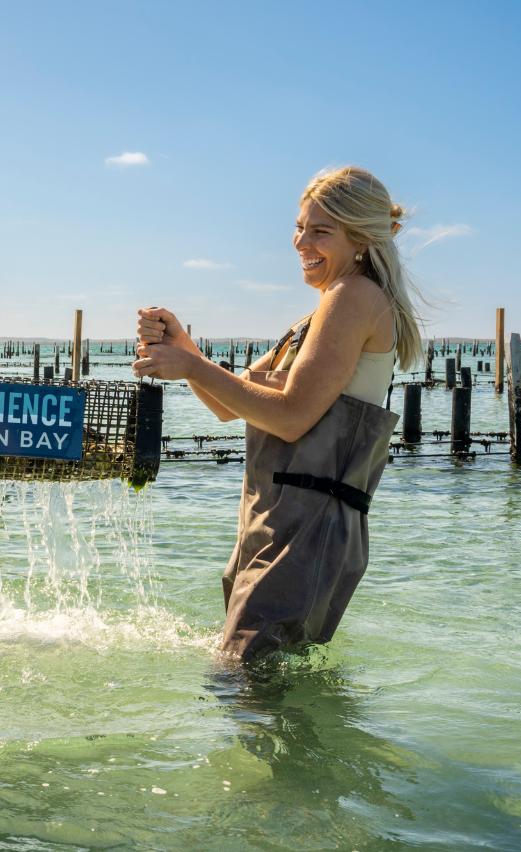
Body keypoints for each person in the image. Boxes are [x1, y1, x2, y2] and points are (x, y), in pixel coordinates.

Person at [133, 166, 422, 660]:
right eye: (300, 226)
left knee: (244, 687)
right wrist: (187, 353)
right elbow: (230, 405)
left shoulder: (353, 297)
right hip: (278, 524)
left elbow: (290, 417)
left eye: (320, 230)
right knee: (255, 686)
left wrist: (189, 365)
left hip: (305, 531)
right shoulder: (320, 312)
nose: (300, 241)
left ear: (361, 240)